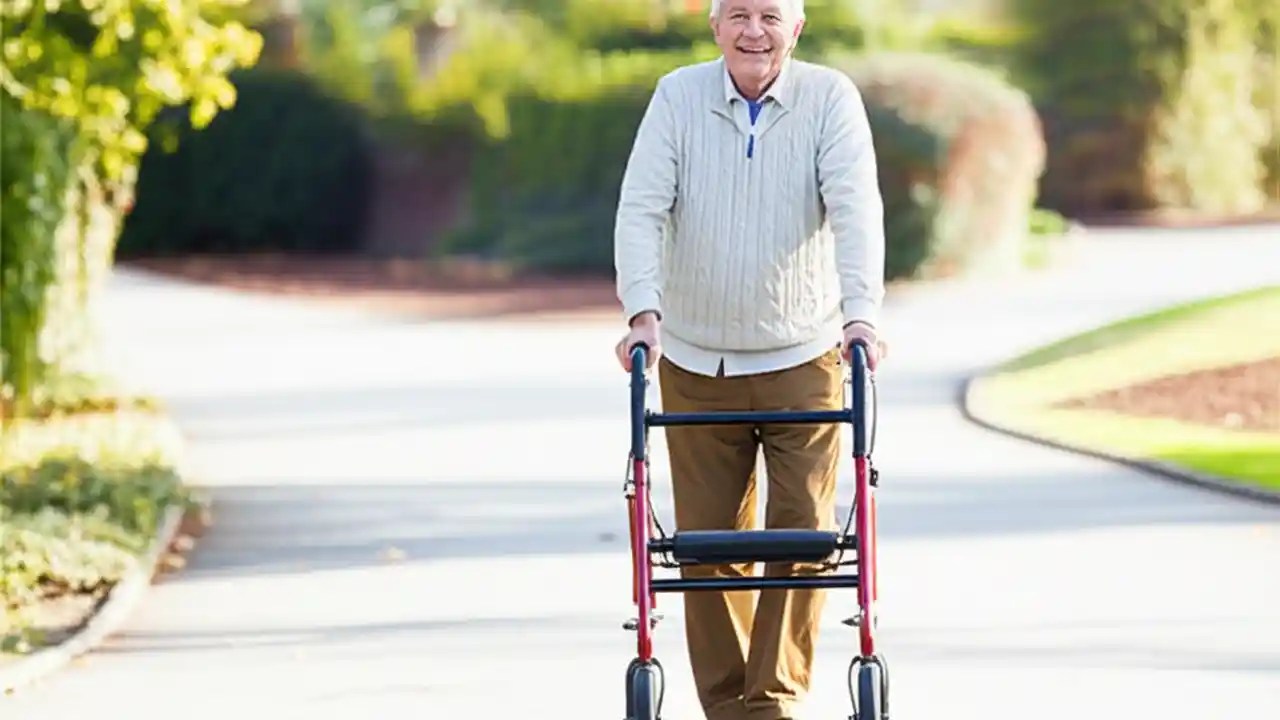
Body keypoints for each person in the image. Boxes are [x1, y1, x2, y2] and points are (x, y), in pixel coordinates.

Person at [612, 1, 886, 719]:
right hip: (698, 362)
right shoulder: (678, 96)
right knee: (708, 548)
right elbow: (641, 206)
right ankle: (731, 710)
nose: (753, 31)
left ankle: (773, 704)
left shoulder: (830, 100)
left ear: (796, 29)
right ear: (715, 26)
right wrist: (643, 312)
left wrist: (863, 316)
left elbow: (856, 210)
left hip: (805, 354)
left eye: (770, 15)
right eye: (738, 13)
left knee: (802, 535)